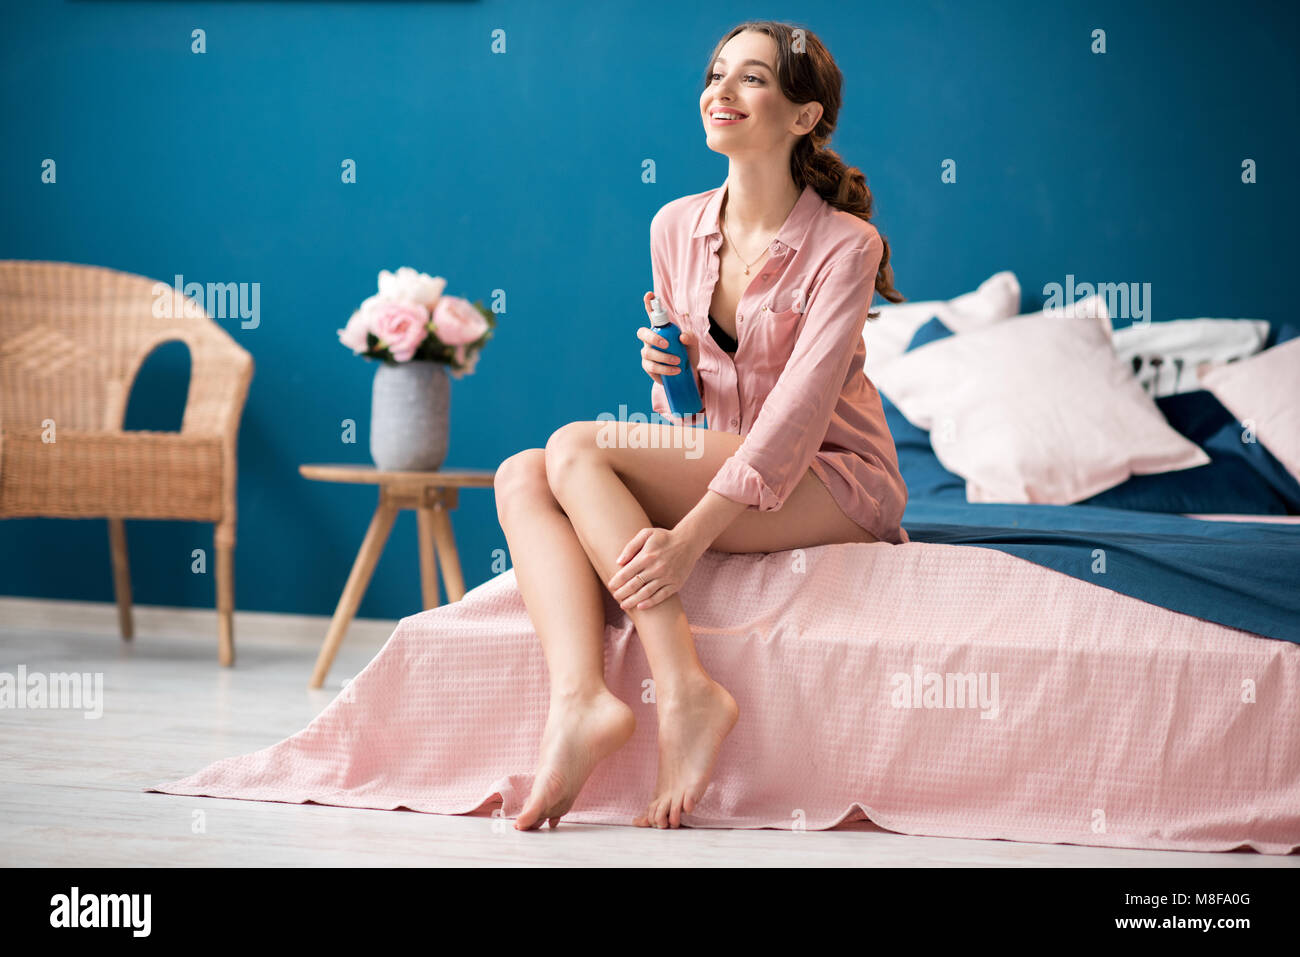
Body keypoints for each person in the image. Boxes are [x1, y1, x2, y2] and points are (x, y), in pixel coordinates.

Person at [494, 19, 908, 831]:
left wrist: (687, 539)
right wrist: (672, 378)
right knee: (520, 471)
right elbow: (690, 421)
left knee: (573, 445)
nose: (721, 91)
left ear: (804, 116)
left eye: (751, 79)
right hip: (732, 458)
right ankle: (580, 701)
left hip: (832, 479)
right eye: (716, 75)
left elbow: (794, 419)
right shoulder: (674, 226)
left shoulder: (846, 245)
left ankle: (685, 689)